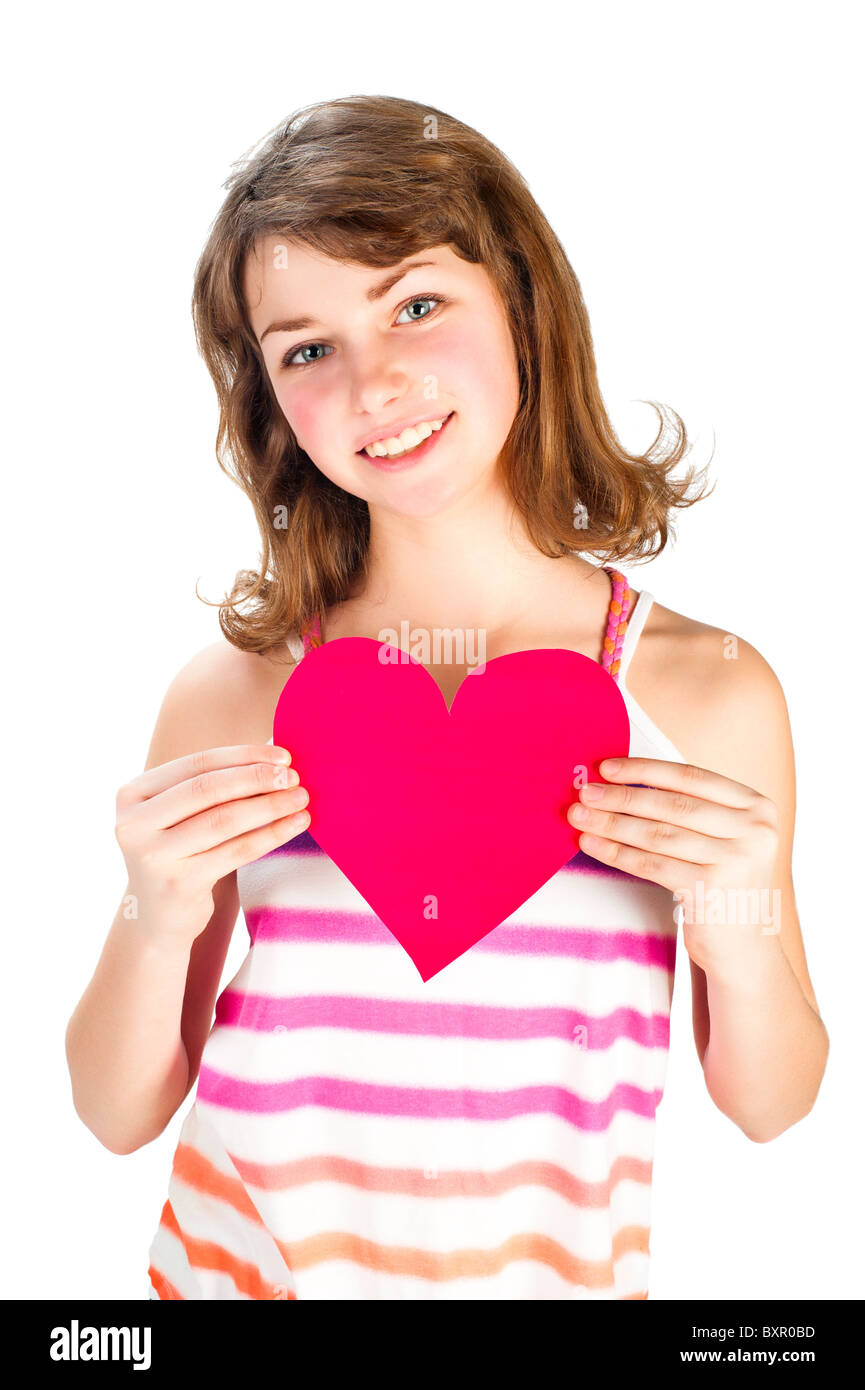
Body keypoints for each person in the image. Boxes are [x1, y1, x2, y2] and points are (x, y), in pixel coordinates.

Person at [65, 94, 828, 1301]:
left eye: (416, 304)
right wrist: (153, 917)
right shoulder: (236, 694)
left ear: (522, 302)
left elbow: (774, 1102)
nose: (377, 382)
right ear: (270, 397)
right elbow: (115, 1114)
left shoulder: (700, 693)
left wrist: (731, 920)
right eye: (308, 348)